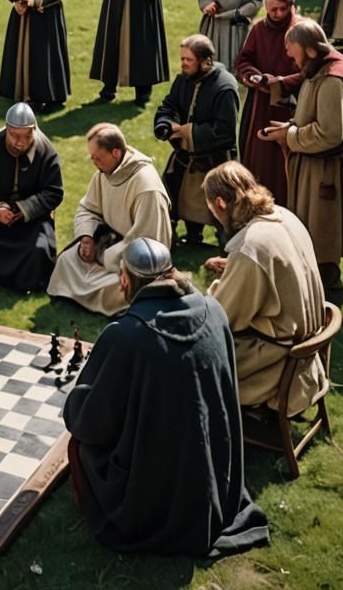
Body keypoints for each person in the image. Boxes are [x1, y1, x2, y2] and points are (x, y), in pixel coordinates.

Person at [63, 237, 270, 557]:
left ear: (125, 281)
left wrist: (75, 402)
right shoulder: (214, 309)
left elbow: (92, 423)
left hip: (150, 486)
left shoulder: (125, 334)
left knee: (78, 446)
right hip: (211, 474)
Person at [203, 162, 327, 416]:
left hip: (273, 364)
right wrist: (237, 268)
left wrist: (212, 290)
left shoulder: (250, 248)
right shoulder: (284, 216)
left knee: (185, 357)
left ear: (220, 204)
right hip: (303, 344)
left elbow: (223, 320)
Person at [258, 19, 343, 305]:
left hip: (325, 171)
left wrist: (290, 135)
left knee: (322, 237)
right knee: (315, 233)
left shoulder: (331, 78)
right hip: (316, 166)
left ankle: (329, 299)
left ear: (308, 48)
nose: (288, 55)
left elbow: (329, 134)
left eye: (291, 49)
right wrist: (289, 127)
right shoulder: (320, 69)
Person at [47, 124, 172, 317]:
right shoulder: (105, 171)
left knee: (120, 286)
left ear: (115, 152)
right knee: (66, 260)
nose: (92, 162)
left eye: (97, 157)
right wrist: (86, 236)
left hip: (135, 256)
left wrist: (123, 265)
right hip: (107, 244)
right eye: (91, 157)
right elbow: (88, 208)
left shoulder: (147, 188)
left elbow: (148, 239)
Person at [0, 102, 63, 292]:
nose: (20, 142)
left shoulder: (46, 150)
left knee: (37, 250)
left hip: (33, 219)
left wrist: (25, 209)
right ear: (7, 129)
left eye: (27, 136)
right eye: (14, 136)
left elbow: (54, 192)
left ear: (34, 130)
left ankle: (27, 283)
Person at [153, 34, 239, 248]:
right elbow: (169, 105)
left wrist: (188, 131)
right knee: (172, 193)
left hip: (215, 160)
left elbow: (226, 132)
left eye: (187, 60)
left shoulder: (224, 87)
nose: (183, 64)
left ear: (206, 61)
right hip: (185, 155)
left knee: (222, 210)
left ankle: (228, 249)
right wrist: (164, 123)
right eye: (182, 59)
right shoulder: (184, 78)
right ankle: (190, 238)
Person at [234, 0, 302, 206]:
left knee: (283, 162)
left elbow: (311, 70)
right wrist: (253, 76)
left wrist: (281, 83)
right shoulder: (259, 29)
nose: (278, 14)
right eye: (273, 9)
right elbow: (244, 60)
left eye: (283, 9)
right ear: (266, 6)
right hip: (260, 104)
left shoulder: (301, 30)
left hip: (290, 105)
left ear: (291, 7)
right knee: (258, 157)